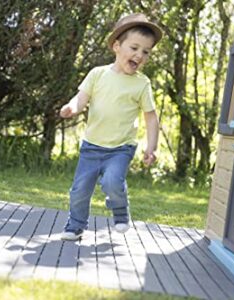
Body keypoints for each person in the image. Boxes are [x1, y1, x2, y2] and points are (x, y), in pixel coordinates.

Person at [60, 13, 162, 241]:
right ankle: (76, 226)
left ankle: (120, 213)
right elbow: (81, 98)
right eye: (134, 48)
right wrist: (71, 107)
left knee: (112, 182)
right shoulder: (97, 74)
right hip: (91, 147)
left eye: (145, 52)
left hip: (121, 148)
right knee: (79, 190)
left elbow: (151, 117)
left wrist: (151, 147)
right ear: (117, 46)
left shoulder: (141, 84)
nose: (140, 55)